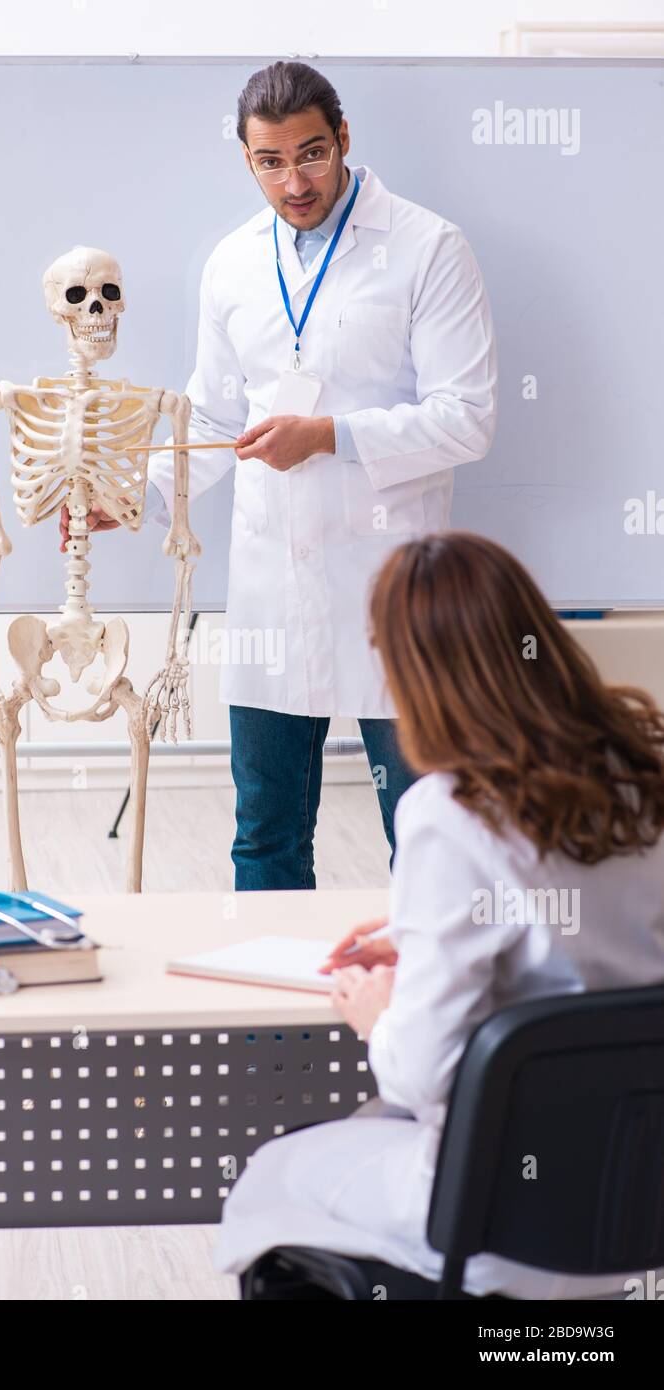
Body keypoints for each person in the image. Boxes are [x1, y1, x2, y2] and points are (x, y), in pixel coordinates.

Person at [63, 60, 497, 887]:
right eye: (270, 161)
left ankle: (424, 1010)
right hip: (272, 586)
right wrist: (140, 496)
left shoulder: (427, 247)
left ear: (343, 141)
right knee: (263, 837)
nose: (293, 180)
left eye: (310, 154)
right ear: (245, 159)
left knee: (426, 836)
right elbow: (217, 414)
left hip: (394, 583)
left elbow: (467, 417)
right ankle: (275, 1011)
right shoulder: (231, 264)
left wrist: (329, 435)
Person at [214, 532, 664, 1298]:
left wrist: (376, 1014)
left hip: (500, 1215)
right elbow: (588, 939)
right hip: (636, 1198)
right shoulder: (642, 773)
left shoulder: (447, 813)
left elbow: (421, 1074)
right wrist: (416, 936)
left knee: (270, 1177)